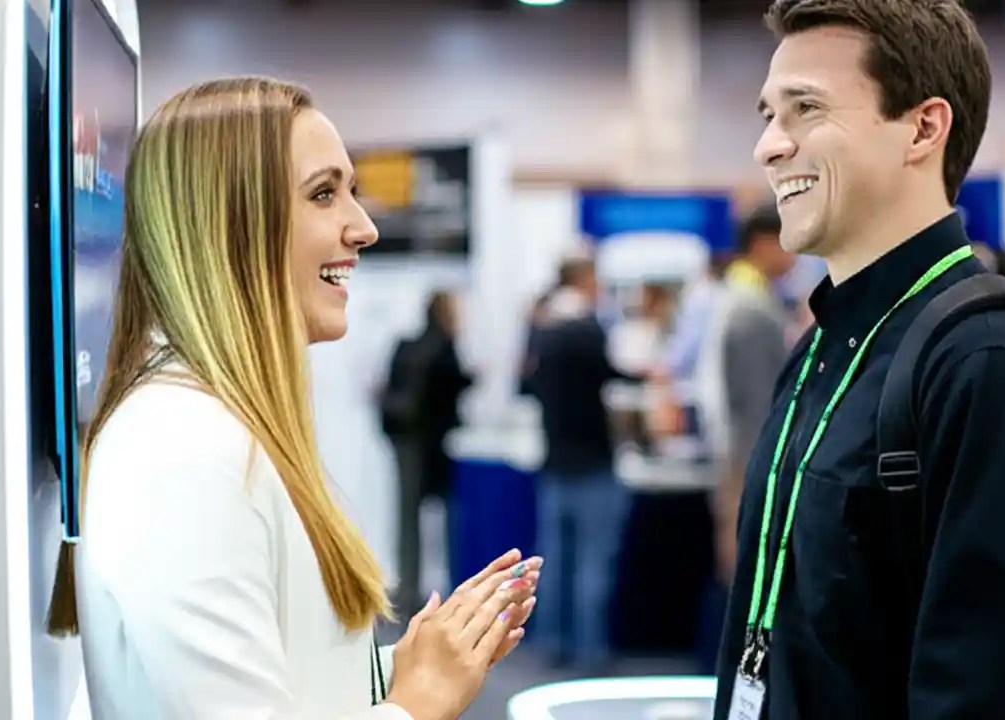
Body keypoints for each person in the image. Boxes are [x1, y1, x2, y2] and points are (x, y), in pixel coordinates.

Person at [45, 77, 541, 720]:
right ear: (231, 222)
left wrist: (424, 661)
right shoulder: (182, 450)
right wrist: (418, 703)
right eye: (324, 194)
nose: (362, 228)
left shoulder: (220, 428)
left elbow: (288, 683)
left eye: (351, 193)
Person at [713, 3, 1005, 718]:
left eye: (806, 108)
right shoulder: (819, 350)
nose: (769, 146)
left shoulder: (991, 365)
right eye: (768, 114)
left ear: (923, 127)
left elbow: (990, 695)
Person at [522, 257, 634, 671]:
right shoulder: (590, 331)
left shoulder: (543, 332)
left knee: (553, 562)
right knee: (593, 563)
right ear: (584, 280)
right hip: (592, 462)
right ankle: (591, 649)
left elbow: (528, 387)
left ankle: (552, 643)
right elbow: (610, 379)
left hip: (555, 461)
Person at [695, 207, 795, 584]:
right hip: (747, 459)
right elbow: (755, 403)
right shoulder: (750, 308)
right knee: (746, 568)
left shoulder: (738, 297)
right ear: (763, 243)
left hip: (736, 455)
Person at [380, 291, 475, 615]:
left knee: (408, 523)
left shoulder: (407, 347)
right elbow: (452, 386)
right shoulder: (444, 348)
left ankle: (408, 592)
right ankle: (454, 591)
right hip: (433, 445)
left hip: (406, 443)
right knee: (447, 521)